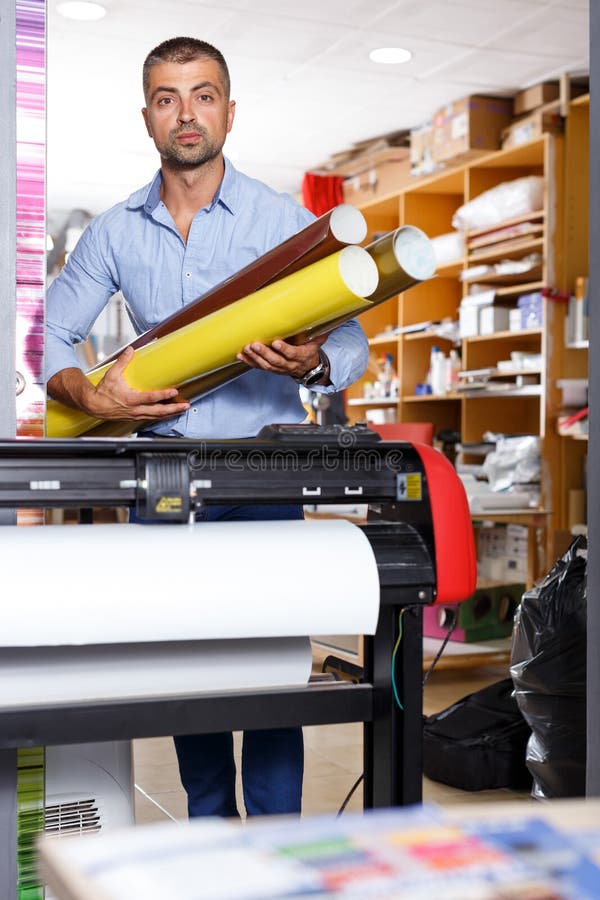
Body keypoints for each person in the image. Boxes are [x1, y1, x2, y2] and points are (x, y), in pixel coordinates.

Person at [46, 36, 369, 819]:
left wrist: (310, 363)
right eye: (167, 97)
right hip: (163, 479)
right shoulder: (117, 231)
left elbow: (352, 344)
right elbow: (49, 340)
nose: (186, 113)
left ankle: (274, 840)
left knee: (268, 670)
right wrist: (92, 399)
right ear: (148, 117)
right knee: (185, 666)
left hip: (262, 476)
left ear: (229, 109)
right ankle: (209, 829)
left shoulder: (282, 221)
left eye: (202, 94)